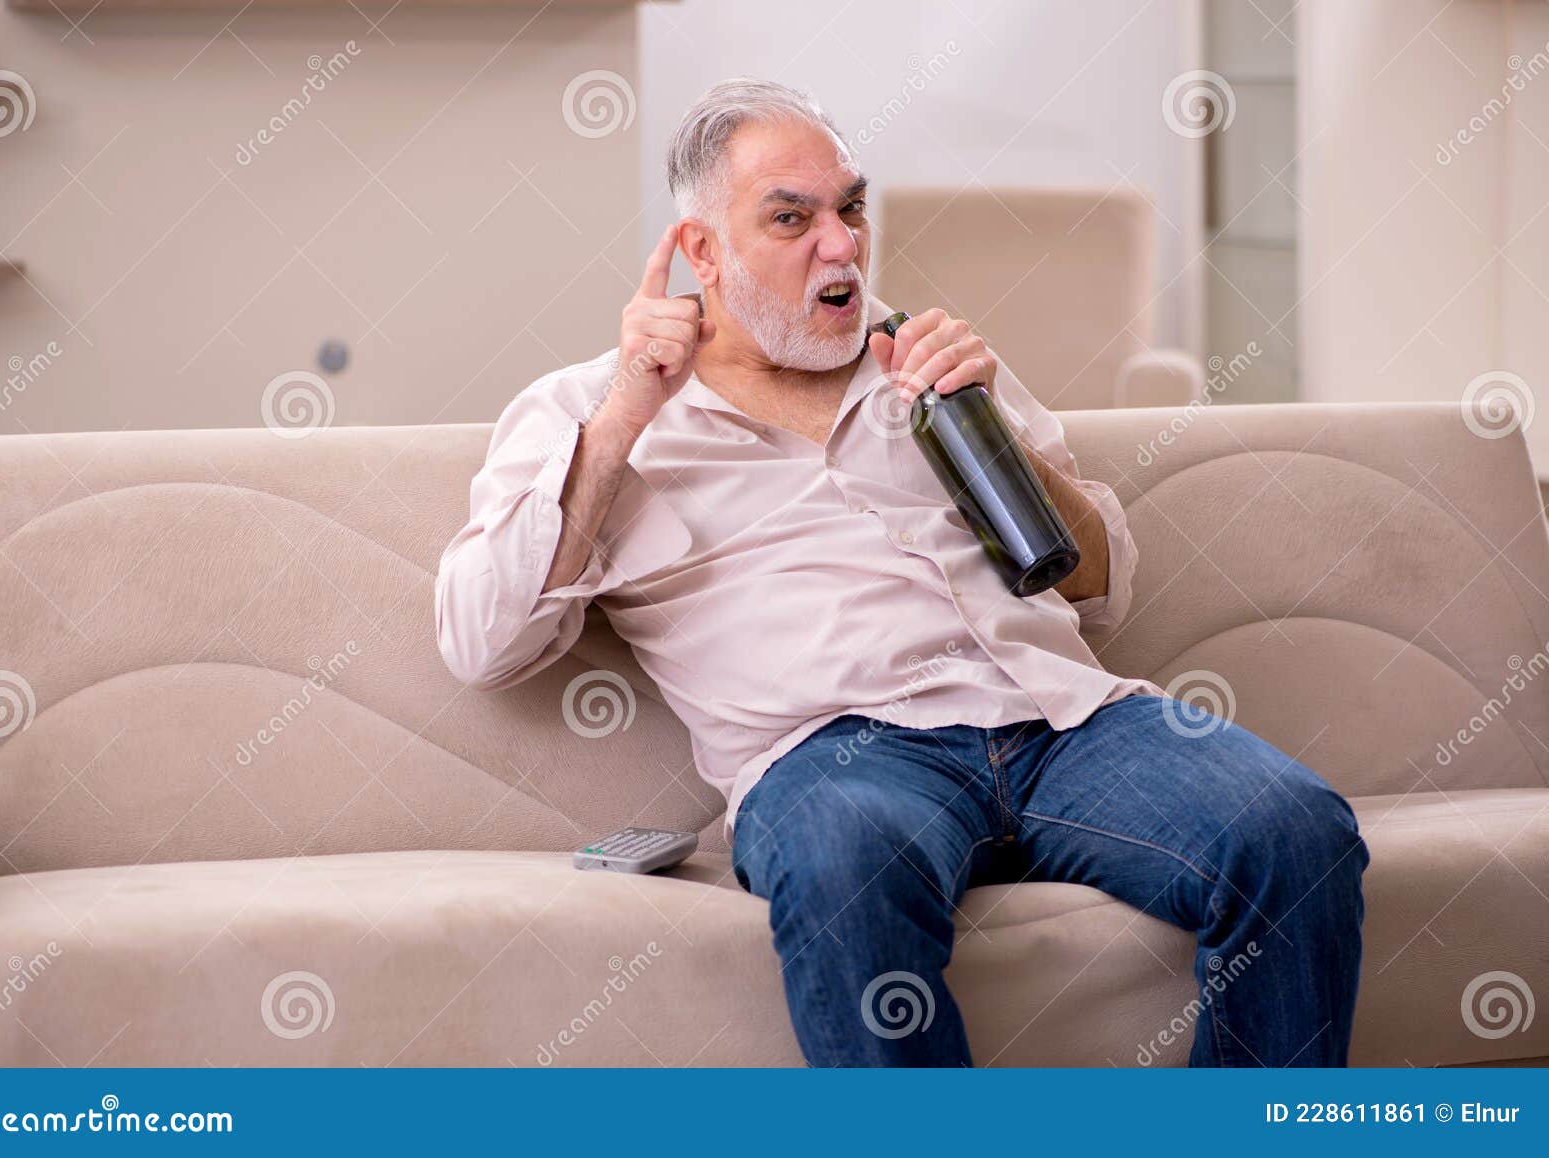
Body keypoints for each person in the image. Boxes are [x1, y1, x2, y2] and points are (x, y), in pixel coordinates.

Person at [435, 77, 1370, 1067]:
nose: (839, 245)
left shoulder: (926, 360)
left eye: (849, 208)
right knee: (842, 864)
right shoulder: (591, 408)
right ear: (700, 251)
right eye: (791, 218)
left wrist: (996, 431)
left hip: (1061, 723)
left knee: (1294, 831)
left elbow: (1100, 588)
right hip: (840, 761)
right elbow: (483, 642)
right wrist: (625, 415)